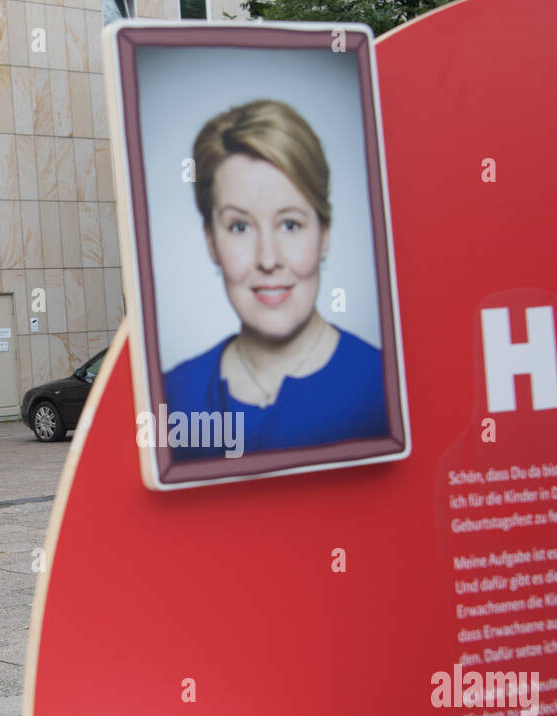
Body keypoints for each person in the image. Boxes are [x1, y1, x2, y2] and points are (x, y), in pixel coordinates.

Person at [162, 99, 389, 461]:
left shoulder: (386, 387)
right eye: (240, 226)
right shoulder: (170, 397)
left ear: (324, 234)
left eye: (290, 224)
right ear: (211, 242)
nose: (268, 259)